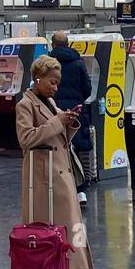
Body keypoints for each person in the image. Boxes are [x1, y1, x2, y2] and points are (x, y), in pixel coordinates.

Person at [16, 55, 94, 269]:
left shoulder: (49, 101)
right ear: (37, 79)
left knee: (74, 226)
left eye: (58, 82)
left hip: (62, 175)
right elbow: (26, 139)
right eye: (52, 82)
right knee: (48, 231)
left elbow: (59, 135)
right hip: (42, 180)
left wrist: (68, 122)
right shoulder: (24, 105)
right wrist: (57, 122)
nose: (56, 88)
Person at [50, 30, 93, 193]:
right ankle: (79, 184)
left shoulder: (47, 64)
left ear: (52, 45)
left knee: (58, 147)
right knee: (77, 146)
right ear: (68, 44)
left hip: (55, 111)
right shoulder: (78, 63)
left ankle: (60, 183)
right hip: (76, 111)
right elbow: (87, 89)